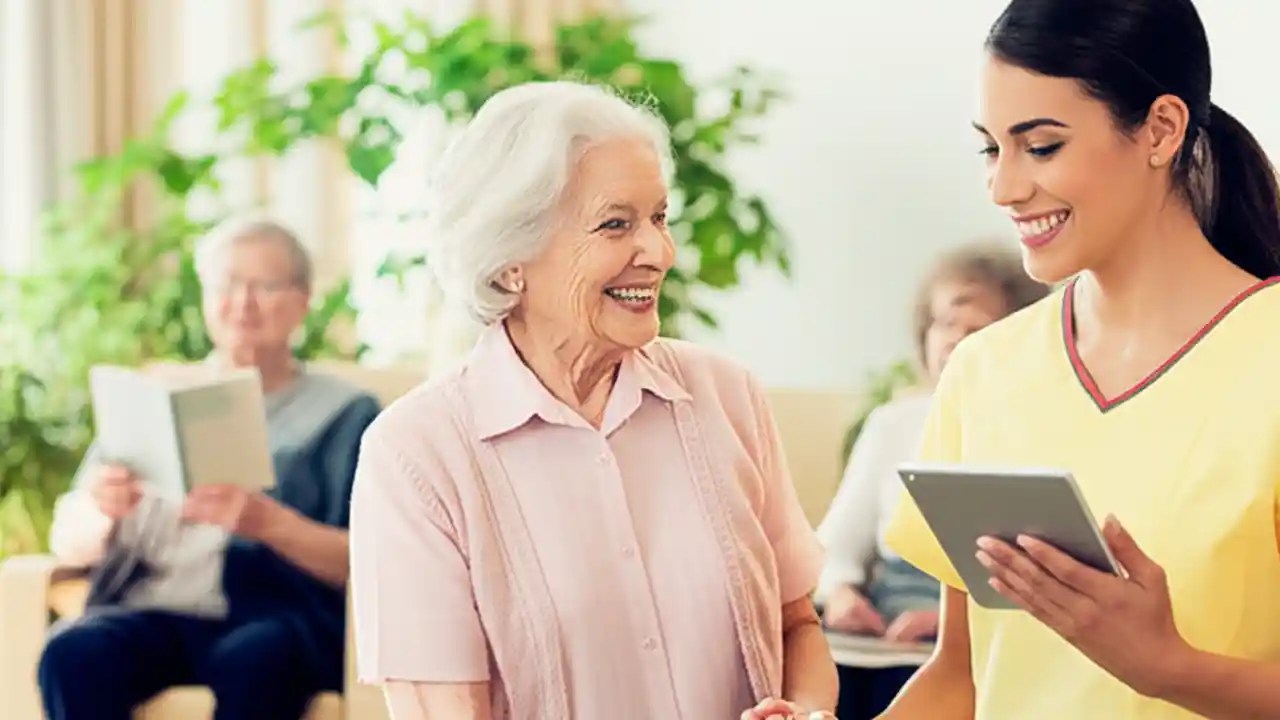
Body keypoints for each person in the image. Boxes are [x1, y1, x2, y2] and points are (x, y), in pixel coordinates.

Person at [348, 81, 838, 720]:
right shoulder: (416, 454)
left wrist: (808, 713)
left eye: (660, 218)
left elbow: (796, 624)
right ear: (508, 261)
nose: (659, 253)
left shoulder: (726, 394)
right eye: (616, 224)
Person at [881, 1, 1280, 718]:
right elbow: (960, 677)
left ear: (1161, 128)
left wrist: (1171, 670)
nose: (1003, 187)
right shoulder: (983, 371)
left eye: (1040, 147)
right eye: (990, 148)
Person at [38, 219, 381, 720]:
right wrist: (101, 508)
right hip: (151, 610)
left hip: (274, 617)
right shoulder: (154, 395)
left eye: (265, 286)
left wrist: (267, 524)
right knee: (73, 651)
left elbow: (369, 559)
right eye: (226, 285)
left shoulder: (347, 413)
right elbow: (67, 541)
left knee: (259, 660)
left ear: (303, 301)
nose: (243, 304)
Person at [816, 244, 1045, 718]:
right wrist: (841, 594)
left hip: (965, 654)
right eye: (946, 323)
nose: (954, 341)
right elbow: (832, 549)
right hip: (874, 642)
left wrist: (948, 626)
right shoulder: (892, 423)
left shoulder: (1037, 430)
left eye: (976, 329)